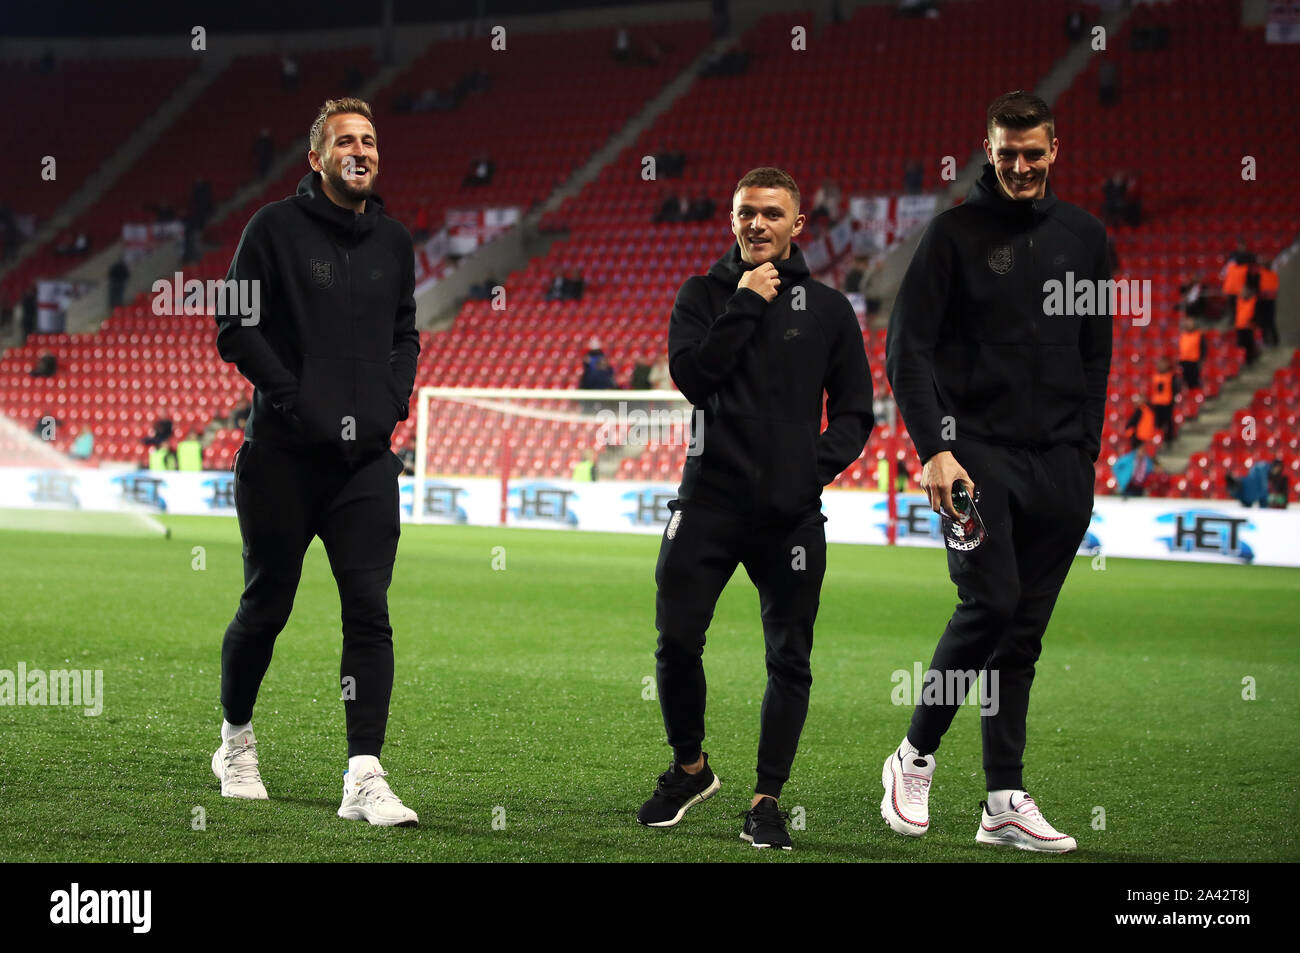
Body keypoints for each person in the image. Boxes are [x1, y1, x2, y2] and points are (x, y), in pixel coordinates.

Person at [883, 91, 1110, 853]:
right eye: (1006, 152)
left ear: (1055, 149)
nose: (1019, 166)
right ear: (988, 149)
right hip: (972, 453)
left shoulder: (1086, 238)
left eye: (1033, 152)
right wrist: (934, 449)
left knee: (1023, 634)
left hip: (1060, 464)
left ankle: (1004, 800)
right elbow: (905, 351)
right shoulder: (952, 237)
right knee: (991, 602)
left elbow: (1096, 351)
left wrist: (1086, 452)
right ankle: (913, 756)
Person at [636, 166, 873, 850]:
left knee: (788, 658)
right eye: (746, 213)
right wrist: (745, 300)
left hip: (790, 517)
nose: (757, 224)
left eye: (772, 213)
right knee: (676, 641)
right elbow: (693, 377)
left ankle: (767, 798)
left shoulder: (830, 309)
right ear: (732, 219)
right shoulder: (701, 294)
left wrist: (808, 472)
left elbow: (856, 413)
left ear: (799, 224)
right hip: (706, 503)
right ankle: (691, 768)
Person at [213, 97, 421, 827]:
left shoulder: (396, 241)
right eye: (345, 141)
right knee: (266, 606)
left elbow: (405, 331)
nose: (360, 150)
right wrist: (296, 400)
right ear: (317, 158)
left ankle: (363, 773)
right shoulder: (270, 228)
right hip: (283, 458)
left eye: (369, 139)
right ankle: (235, 737)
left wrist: (393, 399)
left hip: (366, 464)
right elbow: (234, 323)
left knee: (369, 611)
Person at [1149, 355, 1179, 442]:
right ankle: (1158, 441)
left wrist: (1172, 401)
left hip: (1167, 403)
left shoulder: (1172, 376)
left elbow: (1175, 389)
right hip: (1157, 404)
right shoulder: (1155, 376)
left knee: (1168, 424)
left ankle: (1169, 440)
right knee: (1157, 425)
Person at [1177, 316, 1204, 389]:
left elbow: (1203, 349)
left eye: (1190, 323)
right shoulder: (1183, 335)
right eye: (1187, 323)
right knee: (1185, 383)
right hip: (1184, 362)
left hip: (1194, 362)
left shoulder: (1198, 335)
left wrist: (1201, 360)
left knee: (1194, 383)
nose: (1189, 325)